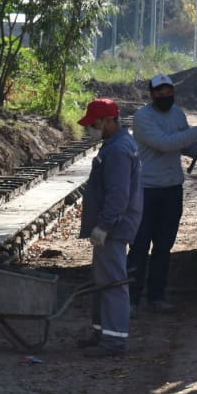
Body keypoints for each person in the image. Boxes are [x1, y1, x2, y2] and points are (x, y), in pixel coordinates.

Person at [127, 74, 197, 313]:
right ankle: (131, 299)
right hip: (146, 190)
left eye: (168, 91)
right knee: (139, 246)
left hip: (171, 190)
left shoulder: (177, 114)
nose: (165, 95)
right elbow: (165, 143)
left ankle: (156, 297)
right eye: (159, 91)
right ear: (151, 94)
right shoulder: (142, 118)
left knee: (163, 247)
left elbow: (184, 145)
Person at [76, 97, 142, 357]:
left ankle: (113, 340)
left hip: (114, 227)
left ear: (108, 121)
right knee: (104, 280)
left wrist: (104, 225)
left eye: (94, 123)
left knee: (113, 283)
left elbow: (117, 194)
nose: (91, 128)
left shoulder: (117, 150)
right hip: (113, 225)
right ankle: (102, 331)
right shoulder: (117, 144)